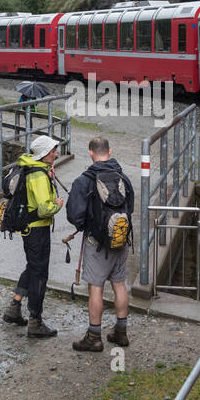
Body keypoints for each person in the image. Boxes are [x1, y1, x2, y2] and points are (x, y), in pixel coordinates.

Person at [65, 136, 135, 352]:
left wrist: (88, 224)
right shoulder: (123, 177)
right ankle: (121, 332)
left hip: (96, 243)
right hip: (120, 239)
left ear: (91, 153)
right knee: (119, 284)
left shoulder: (83, 181)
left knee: (96, 287)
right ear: (110, 152)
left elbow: (74, 215)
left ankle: (94, 336)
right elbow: (130, 208)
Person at [3, 134, 64, 338]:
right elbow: (45, 208)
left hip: (29, 229)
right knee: (40, 274)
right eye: (53, 151)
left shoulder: (33, 168)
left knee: (32, 267)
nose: (56, 154)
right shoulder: (38, 175)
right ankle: (35, 322)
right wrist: (58, 204)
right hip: (37, 229)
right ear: (44, 153)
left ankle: (14, 307)